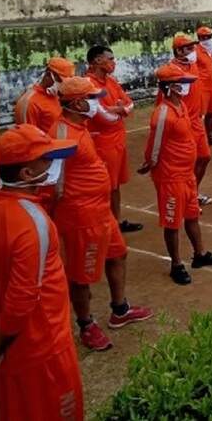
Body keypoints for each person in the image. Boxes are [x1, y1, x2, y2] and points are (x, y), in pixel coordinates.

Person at [50, 77, 153, 349]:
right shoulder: (62, 134)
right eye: (93, 98)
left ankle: (120, 310)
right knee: (81, 274)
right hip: (81, 215)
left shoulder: (80, 126)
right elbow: (55, 183)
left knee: (118, 254)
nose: (98, 103)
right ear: (78, 102)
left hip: (100, 210)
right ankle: (86, 325)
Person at [0, 124, 84, 421]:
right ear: (25, 174)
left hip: (16, 356)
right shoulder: (31, 222)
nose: (53, 165)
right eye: (45, 159)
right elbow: (20, 301)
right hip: (43, 350)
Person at [139, 64, 212, 285]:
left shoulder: (181, 107)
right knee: (172, 222)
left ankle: (200, 254)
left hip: (186, 174)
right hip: (170, 177)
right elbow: (154, 146)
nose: (186, 87)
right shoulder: (162, 114)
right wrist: (150, 164)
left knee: (192, 215)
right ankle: (176, 264)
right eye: (182, 83)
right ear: (171, 87)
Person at [85, 45, 142, 233]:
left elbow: (130, 103)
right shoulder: (88, 85)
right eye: (110, 58)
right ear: (97, 61)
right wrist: (119, 112)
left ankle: (115, 222)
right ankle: (105, 223)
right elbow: (102, 116)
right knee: (105, 186)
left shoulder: (111, 81)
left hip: (117, 141)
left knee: (115, 185)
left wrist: (120, 110)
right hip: (102, 144)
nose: (113, 62)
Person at [171, 33, 212, 206]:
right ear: (179, 51)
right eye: (189, 48)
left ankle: (192, 192)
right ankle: (185, 197)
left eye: (193, 47)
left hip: (196, 121)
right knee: (187, 163)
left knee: (204, 157)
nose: (193, 50)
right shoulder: (172, 72)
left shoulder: (192, 65)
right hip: (183, 123)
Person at [14, 56, 75, 133]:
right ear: (49, 74)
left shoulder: (54, 95)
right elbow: (28, 137)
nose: (63, 85)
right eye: (60, 81)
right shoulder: (30, 102)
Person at [195, 26, 212, 146]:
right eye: (209, 37)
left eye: (211, 36)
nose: (211, 39)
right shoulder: (195, 52)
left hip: (211, 85)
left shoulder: (210, 50)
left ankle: (209, 136)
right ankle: (198, 138)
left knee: (211, 112)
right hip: (201, 87)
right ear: (201, 38)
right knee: (199, 114)